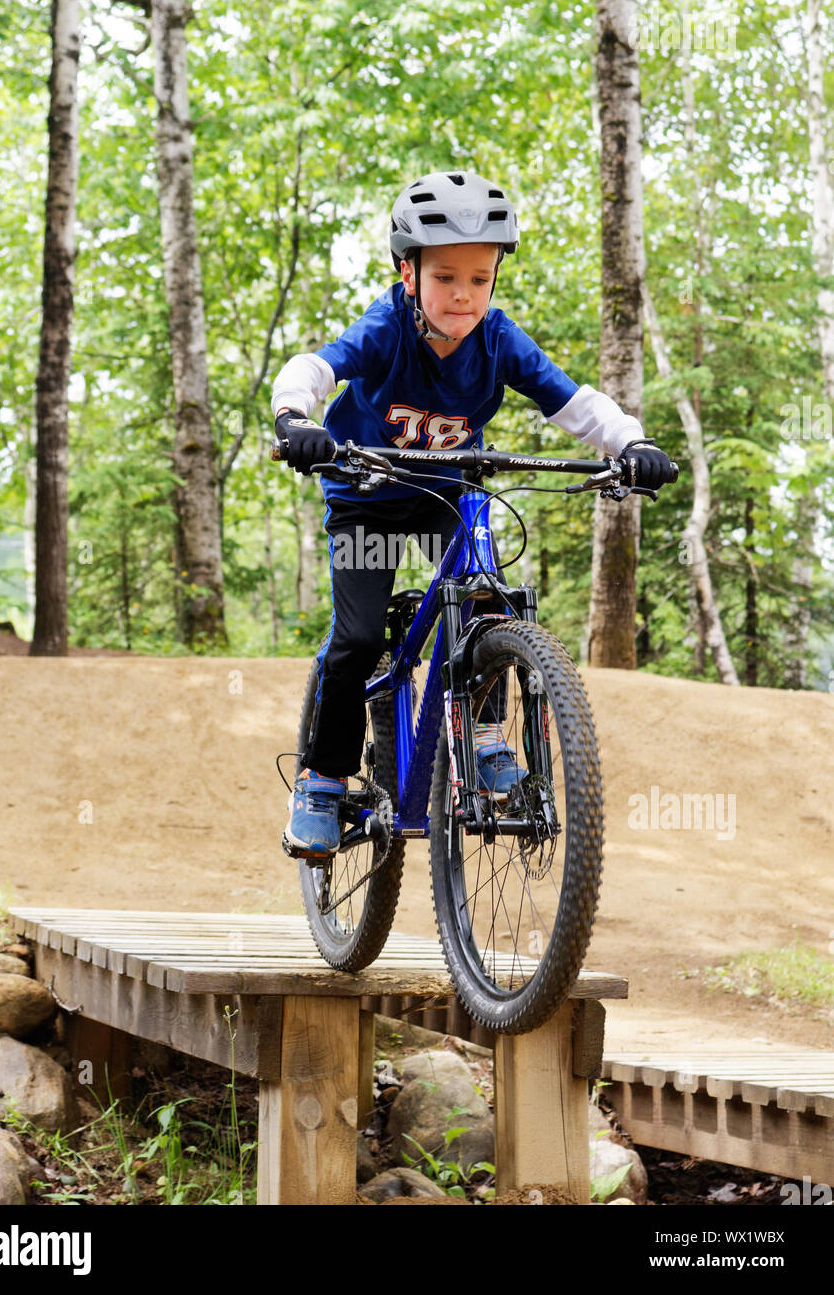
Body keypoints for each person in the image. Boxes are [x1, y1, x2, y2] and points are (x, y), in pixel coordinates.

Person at [272, 170, 675, 857]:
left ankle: (487, 738)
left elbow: (574, 403)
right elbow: (318, 366)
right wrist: (292, 417)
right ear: (409, 274)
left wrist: (630, 443)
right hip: (364, 498)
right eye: (446, 277)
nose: (464, 295)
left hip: (446, 495)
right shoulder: (386, 328)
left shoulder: (499, 341)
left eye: (480, 280)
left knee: (490, 601)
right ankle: (321, 779)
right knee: (361, 636)